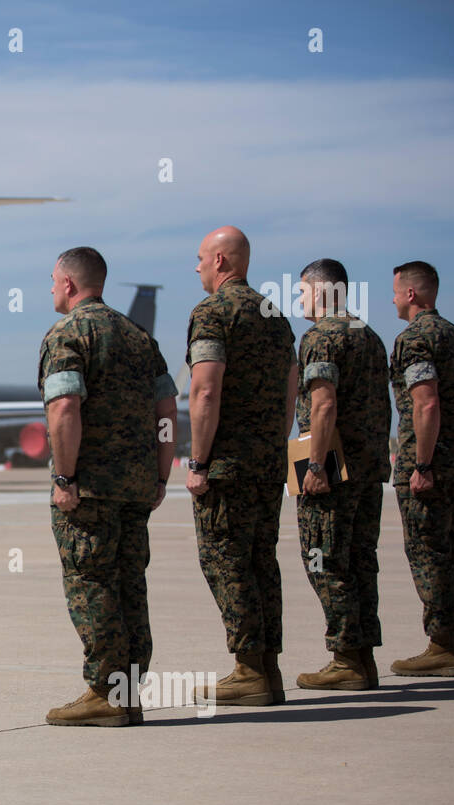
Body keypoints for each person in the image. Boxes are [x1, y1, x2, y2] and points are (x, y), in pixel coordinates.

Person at [39, 246, 177, 727]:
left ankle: (105, 692)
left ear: (70, 284)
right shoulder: (140, 338)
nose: (52, 288)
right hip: (136, 488)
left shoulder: (68, 334)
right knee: (128, 584)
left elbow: (64, 408)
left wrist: (65, 477)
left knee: (91, 583)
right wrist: (161, 474)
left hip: (90, 489)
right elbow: (166, 413)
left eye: (54, 280)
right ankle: (128, 691)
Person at [185, 227, 297, 706]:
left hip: (228, 468)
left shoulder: (211, 314)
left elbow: (205, 391)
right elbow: (292, 388)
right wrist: (275, 442)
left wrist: (199, 460)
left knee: (227, 563)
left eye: (201, 259)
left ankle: (248, 669)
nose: (197, 268)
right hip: (268, 464)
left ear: (222, 260)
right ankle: (267, 668)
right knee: (261, 562)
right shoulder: (275, 315)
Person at [291, 259, 391, 690]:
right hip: (369, 470)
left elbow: (324, 405)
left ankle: (347, 657)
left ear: (322, 290)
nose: (299, 300)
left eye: (302, 291)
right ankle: (362, 657)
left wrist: (315, 466)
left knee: (323, 559)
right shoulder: (368, 336)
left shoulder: (321, 337)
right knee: (360, 559)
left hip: (332, 469)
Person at [388, 261, 454, 677]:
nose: (392, 298)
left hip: (427, 468)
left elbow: (426, 403)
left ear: (411, 294)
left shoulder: (415, 339)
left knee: (427, 552)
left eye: (395, 291)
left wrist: (423, 463)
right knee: (453, 550)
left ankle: (443, 645)